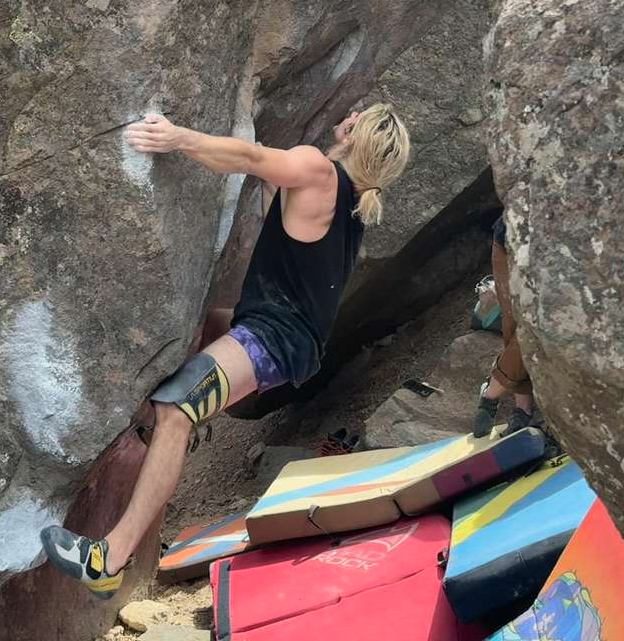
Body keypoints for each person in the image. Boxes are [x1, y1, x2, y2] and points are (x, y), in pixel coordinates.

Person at [40, 104, 411, 599]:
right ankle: (179, 435)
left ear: (356, 136)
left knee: (177, 409)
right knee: (209, 325)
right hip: (286, 341)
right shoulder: (348, 201)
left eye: (355, 118)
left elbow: (250, 158)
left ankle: (108, 559)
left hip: (271, 338)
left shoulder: (319, 172)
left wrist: (178, 138)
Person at [471, 212, 535, 437]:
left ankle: (491, 393)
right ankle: (523, 408)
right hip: (507, 241)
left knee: (530, 328)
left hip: (547, 253)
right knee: (512, 324)